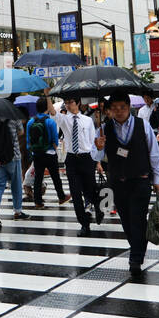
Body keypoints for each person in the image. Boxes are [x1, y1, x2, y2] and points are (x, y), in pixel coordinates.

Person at [92, 92, 159, 276]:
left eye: (122, 107)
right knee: (126, 221)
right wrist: (99, 147)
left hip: (140, 180)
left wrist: (158, 179)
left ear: (128, 107)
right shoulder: (104, 129)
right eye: (114, 108)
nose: (119, 111)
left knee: (137, 219)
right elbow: (96, 156)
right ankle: (138, 246)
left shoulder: (143, 125)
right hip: (118, 182)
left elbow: (153, 153)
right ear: (109, 110)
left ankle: (135, 258)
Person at [56, 97, 102, 236]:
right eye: (67, 103)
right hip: (71, 160)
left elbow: (93, 142)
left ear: (78, 103)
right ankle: (84, 224)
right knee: (75, 194)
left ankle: (99, 207)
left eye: (71, 102)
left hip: (87, 158)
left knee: (90, 191)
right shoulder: (64, 119)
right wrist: (46, 96)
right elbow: (52, 112)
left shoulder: (87, 120)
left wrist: (98, 162)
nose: (68, 105)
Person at [0, 114, 29, 231]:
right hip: (13, 155)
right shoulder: (14, 114)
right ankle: (17, 211)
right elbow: (21, 132)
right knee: (16, 185)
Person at [26, 98, 66, 208]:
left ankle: (38, 201)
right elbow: (55, 140)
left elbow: (28, 142)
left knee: (38, 178)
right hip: (50, 154)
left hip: (37, 154)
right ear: (47, 108)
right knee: (55, 177)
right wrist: (53, 148)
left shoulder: (30, 122)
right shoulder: (50, 121)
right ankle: (61, 197)